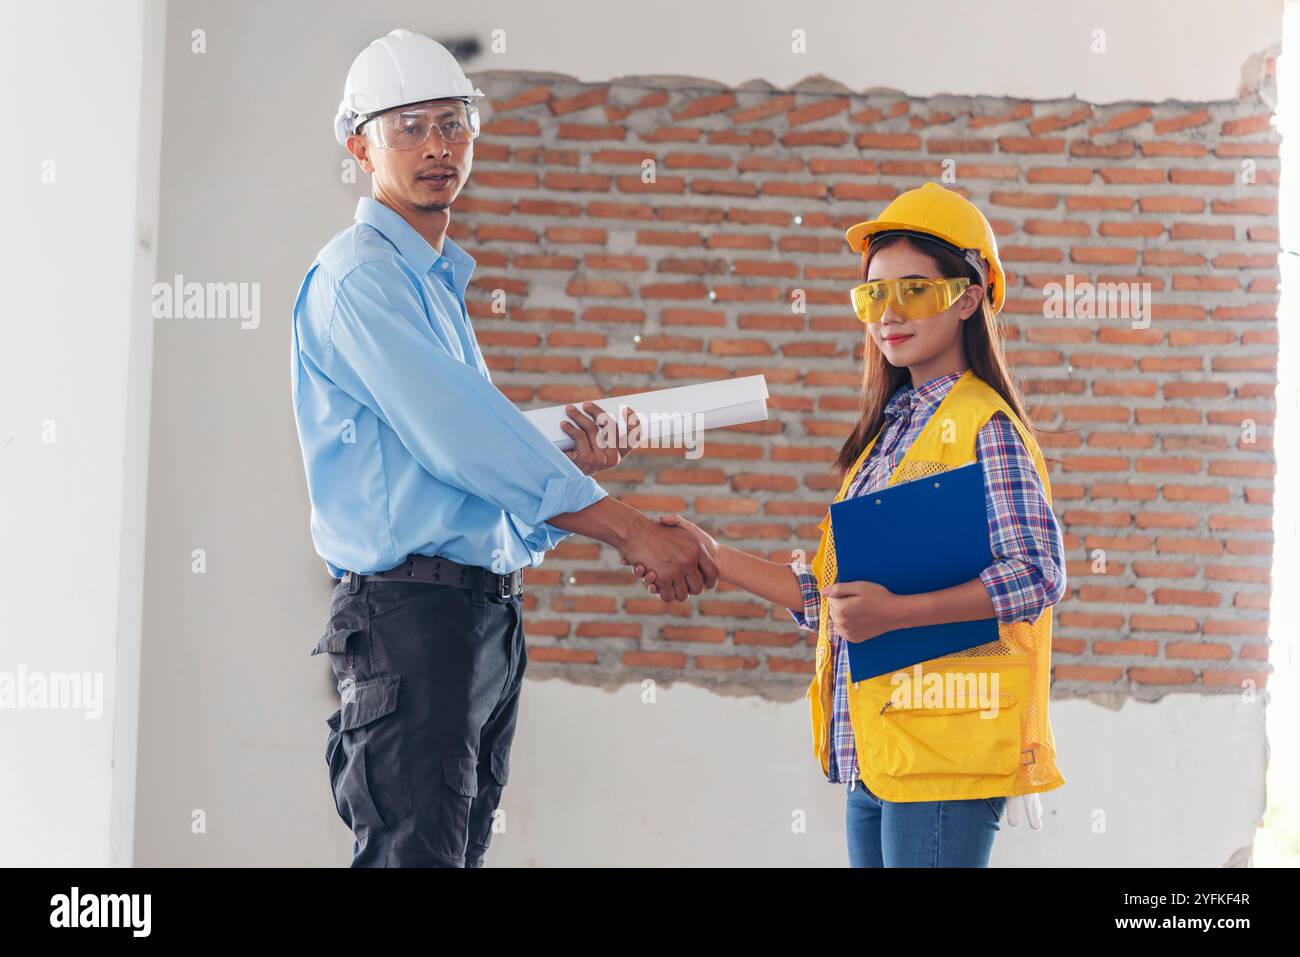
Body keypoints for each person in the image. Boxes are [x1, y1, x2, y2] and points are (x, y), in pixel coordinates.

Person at [291, 28, 717, 867]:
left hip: (476, 616)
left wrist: (568, 488)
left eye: (453, 122)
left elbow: (466, 490)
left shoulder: (436, 288)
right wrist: (629, 527)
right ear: (359, 145)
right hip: (411, 620)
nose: (438, 146)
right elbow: (462, 443)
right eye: (408, 127)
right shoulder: (361, 280)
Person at [632, 182, 1068, 867]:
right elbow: (833, 600)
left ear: (969, 294)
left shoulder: (983, 425)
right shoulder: (886, 436)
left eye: (914, 290)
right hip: (881, 754)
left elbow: (1039, 574)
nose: (888, 313)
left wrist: (898, 612)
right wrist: (712, 553)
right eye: (873, 295)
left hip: (946, 756)